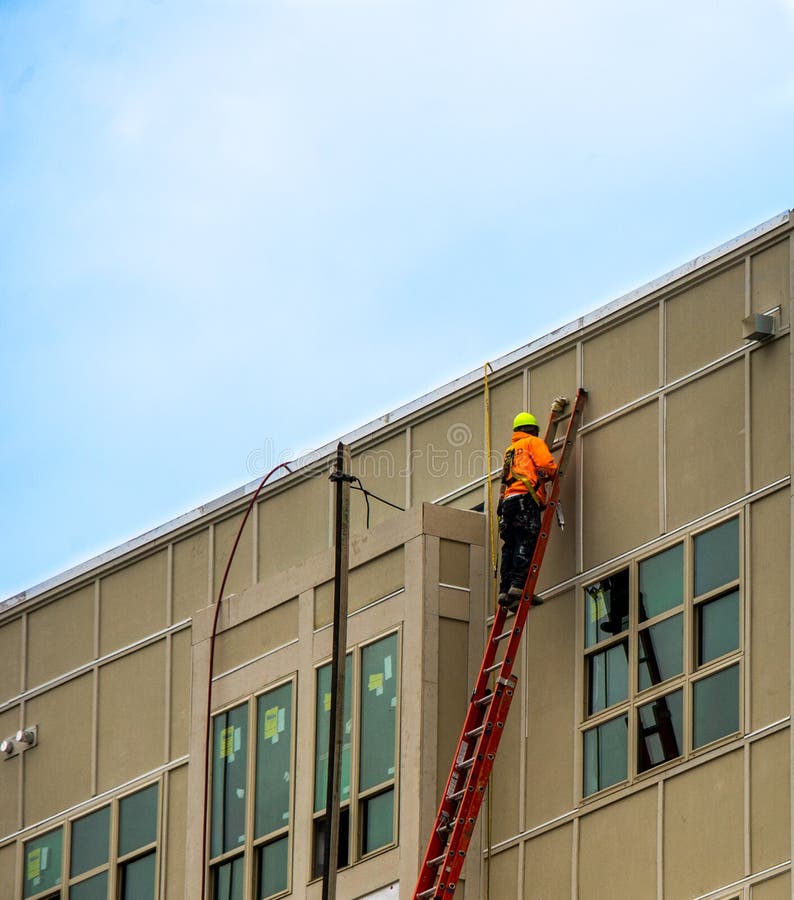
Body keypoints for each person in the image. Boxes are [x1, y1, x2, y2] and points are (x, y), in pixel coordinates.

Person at [496, 411, 558, 612]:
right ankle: (518, 586)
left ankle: (505, 591)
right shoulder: (533, 442)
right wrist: (551, 474)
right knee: (527, 539)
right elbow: (546, 466)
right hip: (525, 499)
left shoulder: (510, 451)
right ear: (533, 430)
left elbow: (504, 480)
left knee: (510, 545)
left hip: (508, 503)